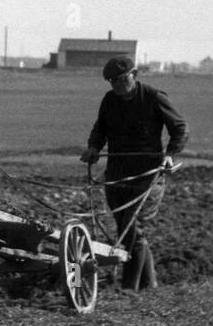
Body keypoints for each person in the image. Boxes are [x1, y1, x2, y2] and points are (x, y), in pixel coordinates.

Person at [79, 55, 187, 290]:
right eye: (112, 81)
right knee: (127, 229)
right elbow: (101, 128)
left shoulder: (154, 97)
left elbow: (179, 128)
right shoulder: (109, 100)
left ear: (134, 75)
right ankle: (149, 285)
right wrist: (93, 148)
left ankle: (129, 289)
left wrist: (170, 154)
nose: (117, 85)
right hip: (117, 174)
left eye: (121, 79)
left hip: (148, 176)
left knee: (133, 228)